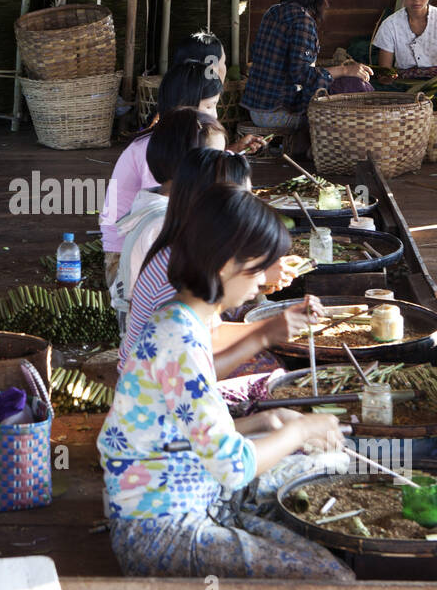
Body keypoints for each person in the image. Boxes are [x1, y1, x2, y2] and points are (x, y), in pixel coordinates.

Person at [99, 184, 353, 579]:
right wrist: (301, 428)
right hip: (163, 529)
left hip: (199, 491)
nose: (264, 281)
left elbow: (181, 433)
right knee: (331, 579)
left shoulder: (181, 319)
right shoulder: (178, 338)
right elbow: (233, 467)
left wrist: (263, 423)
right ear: (224, 263)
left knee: (336, 465)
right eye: (259, 267)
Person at [120, 148, 312, 408]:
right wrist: (266, 332)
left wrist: (257, 275)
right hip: (155, 402)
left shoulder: (184, 247)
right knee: (275, 381)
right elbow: (199, 360)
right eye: (243, 200)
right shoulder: (173, 282)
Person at [99, 32, 264, 287]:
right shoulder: (152, 149)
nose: (214, 114)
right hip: (129, 257)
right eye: (209, 107)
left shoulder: (175, 141)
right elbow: (176, 206)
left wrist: (230, 153)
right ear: (184, 108)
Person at [110, 109, 227, 330]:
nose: (223, 168)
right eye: (214, 159)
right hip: (156, 340)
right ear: (184, 164)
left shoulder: (161, 204)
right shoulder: (161, 223)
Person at [242, 0, 370, 138]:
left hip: (255, 109)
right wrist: (345, 70)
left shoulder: (273, 11)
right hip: (276, 114)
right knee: (350, 87)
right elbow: (300, 74)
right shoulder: (301, 20)